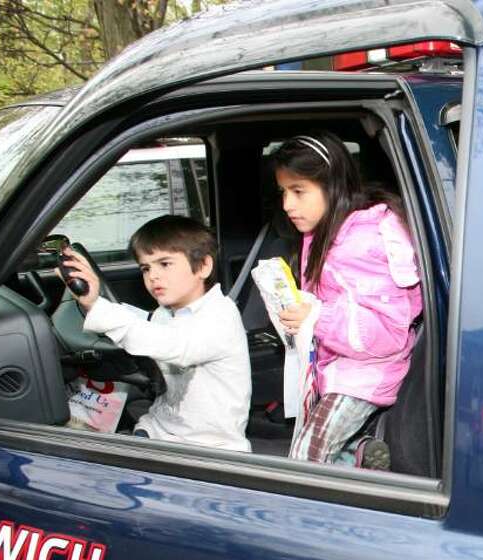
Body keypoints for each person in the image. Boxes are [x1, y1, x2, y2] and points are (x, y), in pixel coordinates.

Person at [270, 132, 422, 468]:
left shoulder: (364, 243)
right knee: (317, 451)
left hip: (366, 374)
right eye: (283, 192)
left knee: (305, 460)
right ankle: (358, 455)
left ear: (333, 186)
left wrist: (315, 317)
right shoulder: (321, 233)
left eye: (298, 191)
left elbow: (389, 333)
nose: (287, 205)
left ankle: (353, 458)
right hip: (336, 367)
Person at [61, 214, 251, 451]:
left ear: (203, 266)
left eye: (165, 264)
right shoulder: (167, 311)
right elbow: (145, 325)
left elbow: (174, 346)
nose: (153, 276)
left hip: (210, 447)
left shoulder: (221, 316)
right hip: (158, 428)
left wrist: (98, 308)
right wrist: (94, 302)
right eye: (146, 268)